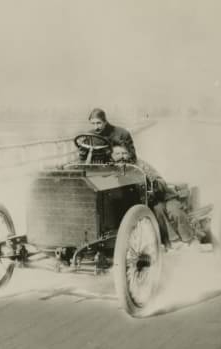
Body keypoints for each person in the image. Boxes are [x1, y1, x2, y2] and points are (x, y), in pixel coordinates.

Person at [81, 108, 209, 252]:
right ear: (112, 155)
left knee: (172, 211)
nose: (121, 156)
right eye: (117, 154)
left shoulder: (139, 166)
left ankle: (190, 241)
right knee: (156, 211)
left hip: (161, 196)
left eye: (124, 153)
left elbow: (158, 182)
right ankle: (163, 245)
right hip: (146, 202)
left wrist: (152, 187)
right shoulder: (113, 169)